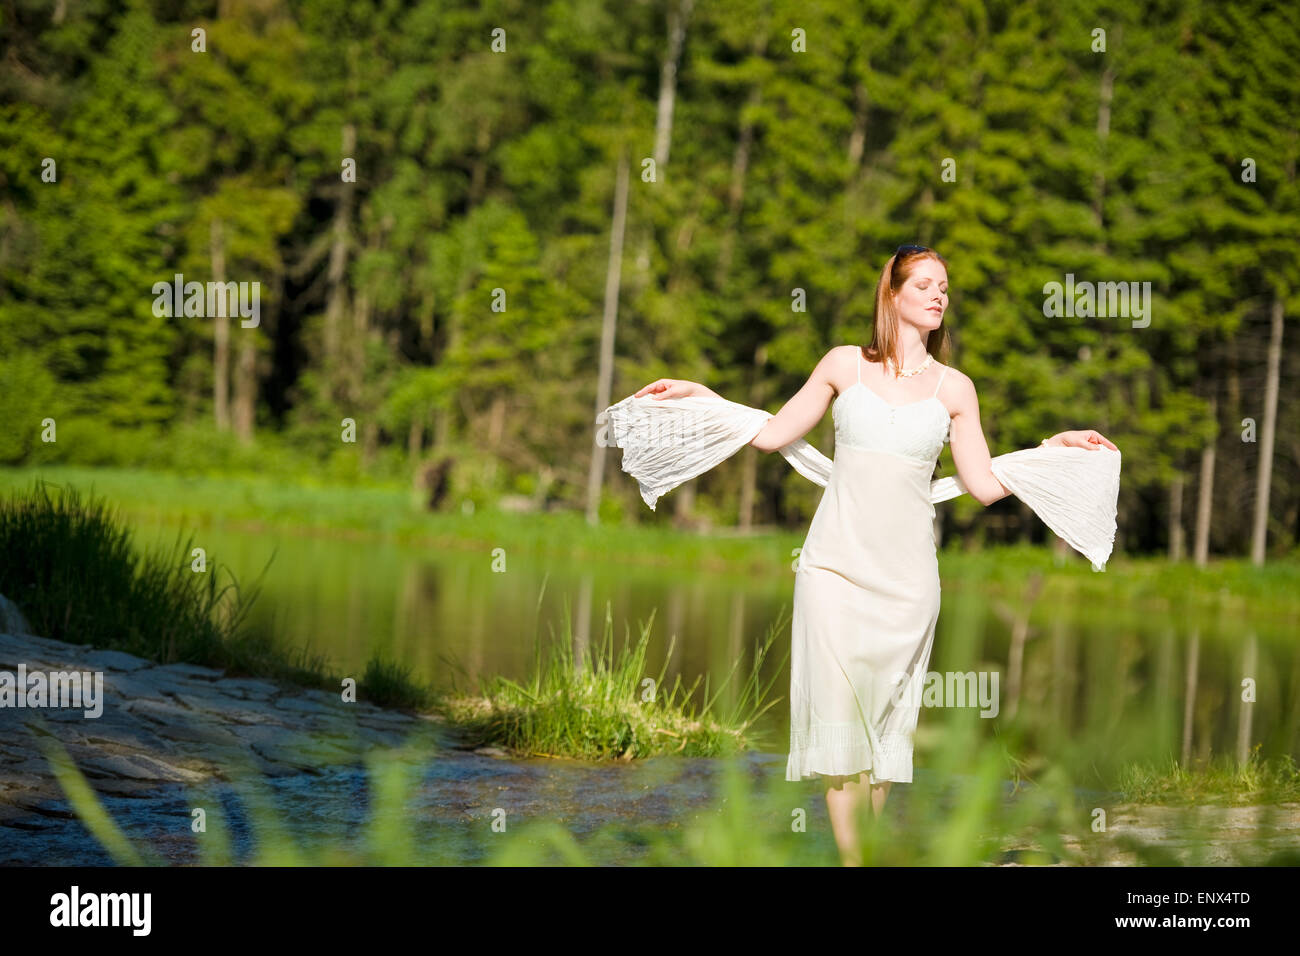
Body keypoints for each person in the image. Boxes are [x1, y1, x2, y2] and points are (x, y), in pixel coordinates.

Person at [631, 245, 1118, 865]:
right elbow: (774, 433)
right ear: (892, 293)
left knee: (884, 730)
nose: (939, 295)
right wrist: (701, 395)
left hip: (908, 584)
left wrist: (1057, 446)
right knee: (839, 722)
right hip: (832, 571)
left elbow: (984, 484)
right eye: (926, 284)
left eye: (944, 287)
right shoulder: (843, 364)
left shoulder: (956, 389)